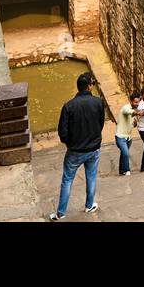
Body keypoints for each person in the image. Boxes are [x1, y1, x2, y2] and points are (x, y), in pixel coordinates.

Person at [48, 71, 104, 220]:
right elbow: (100, 123)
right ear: (89, 87)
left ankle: (61, 213)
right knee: (91, 177)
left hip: (75, 150)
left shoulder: (69, 106)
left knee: (67, 180)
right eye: (92, 83)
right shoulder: (98, 102)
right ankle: (89, 204)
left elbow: (62, 132)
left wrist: (69, 143)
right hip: (93, 148)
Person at [115, 90, 138, 176]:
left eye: (138, 102)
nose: (137, 104)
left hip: (128, 137)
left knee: (123, 154)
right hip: (120, 137)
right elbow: (128, 112)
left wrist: (135, 123)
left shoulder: (133, 109)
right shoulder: (126, 107)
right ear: (131, 101)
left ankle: (121, 170)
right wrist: (137, 113)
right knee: (126, 153)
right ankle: (127, 171)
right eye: (135, 102)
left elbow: (131, 123)